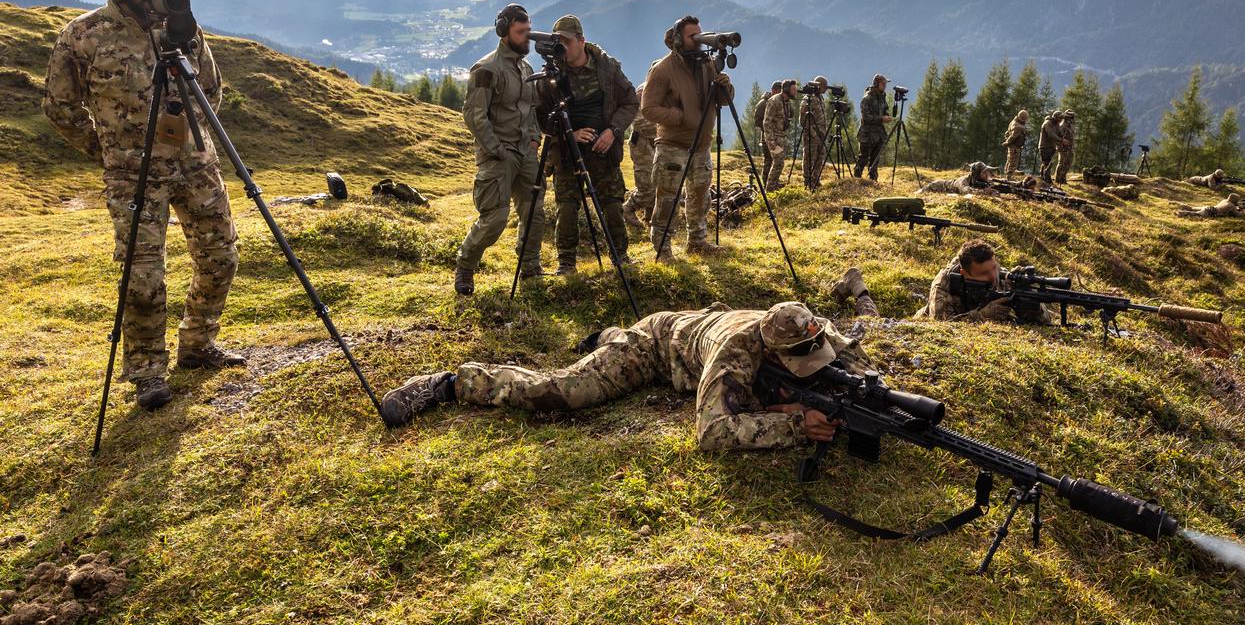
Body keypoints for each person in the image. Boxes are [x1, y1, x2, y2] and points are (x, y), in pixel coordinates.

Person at [43, 0, 241, 410]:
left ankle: (198, 345)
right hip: (132, 176)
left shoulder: (183, 27)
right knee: (143, 276)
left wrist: (190, 136)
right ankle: (148, 369)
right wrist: (109, 150)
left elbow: (210, 90)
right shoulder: (83, 36)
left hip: (196, 165)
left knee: (221, 258)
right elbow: (61, 108)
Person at [379, 302, 872, 451]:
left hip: (699, 323)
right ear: (770, 348)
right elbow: (712, 432)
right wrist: (790, 425)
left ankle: (606, 335)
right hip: (660, 346)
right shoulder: (737, 352)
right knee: (564, 392)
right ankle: (451, 383)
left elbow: (859, 369)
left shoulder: (813, 329)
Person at [455, 3, 543, 294]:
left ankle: (530, 267)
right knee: (495, 218)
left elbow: (531, 109)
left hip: (525, 152)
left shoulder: (526, 67)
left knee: (535, 213)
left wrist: (534, 139)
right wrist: (497, 149)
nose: (526, 37)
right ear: (504, 32)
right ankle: (466, 266)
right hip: (498, 154)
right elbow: (474, 115)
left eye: (528, 31)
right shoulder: (486, 69)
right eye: (521, 32)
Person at [539, 14, 638, 275]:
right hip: (567, 153)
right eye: (557, 42)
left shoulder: (607, 68)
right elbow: (540, 116)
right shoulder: (551, 75)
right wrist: (568, 135)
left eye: (567, 42)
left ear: (581, 40)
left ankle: (621, 258)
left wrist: (613, 131)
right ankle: (566, 264)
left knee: (613, 205)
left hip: (602, 151)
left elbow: (630, 102)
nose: (562, 47)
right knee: (567, 207)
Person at [642, 15, 734, 261]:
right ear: (679, 39)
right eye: (693, 36)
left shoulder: (706, 65)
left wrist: (726, 85)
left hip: (702, 146)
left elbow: (723, 101)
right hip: (673, 146)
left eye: (700, 35)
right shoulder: (663, 69)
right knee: (668, 201)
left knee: (700, 198)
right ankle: (663, 248)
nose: (698, 40)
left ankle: (697, 242)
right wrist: (679, 116)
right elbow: (648, 109)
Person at [829, 240, 1051, 325]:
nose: (993, 277)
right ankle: (857, 285)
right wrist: (984, 315)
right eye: (984, 274)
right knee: (873, 325)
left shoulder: (1001, 275)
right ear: (964, 272)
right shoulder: (944, 282)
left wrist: (1032, 306)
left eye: (994, 267)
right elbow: (941, 326)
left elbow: (1044, 321)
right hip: (916, 328)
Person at [621, 82, 657, 232]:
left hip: (656, 142)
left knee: (659, 182)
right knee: (647, 186)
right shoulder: (643, 91)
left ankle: (649, 217)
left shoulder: (667, 88)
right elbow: (639, 121)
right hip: (642, 143)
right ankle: (628, 208)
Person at [853, 74, 893, 181]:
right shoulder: (867, 98)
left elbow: (885, 109)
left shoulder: (882, 97)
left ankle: (873, 181)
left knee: (876, 159)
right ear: (876, 84)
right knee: (863, 158)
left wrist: (887, 116)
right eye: (883, 83)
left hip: (879, 133)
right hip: (867, 134)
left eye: (885, 84)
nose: (885, 86)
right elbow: (866, 117)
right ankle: (856, 179)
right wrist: (881, 119)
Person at [762, 79, 797, 191]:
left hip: (781, 137)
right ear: (786, 89)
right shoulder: (774, 101)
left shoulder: (786, 102)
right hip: (774, 138)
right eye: (793, 89)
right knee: (778, 164)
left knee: (779, 164)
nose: (795, 92)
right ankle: (770, 189)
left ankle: (774, 186)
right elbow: (766, 122)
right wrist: (771, 142)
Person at [800, 77, 829, 192]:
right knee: (809, 157)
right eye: (824, 86)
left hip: (821, 134)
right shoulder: (808, 99)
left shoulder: (820, 98)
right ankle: (808, 181)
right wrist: (813, 133)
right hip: (811, 135)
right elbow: (803, 120)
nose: (826, 89)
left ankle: (816, 179)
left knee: (820, 157)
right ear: (818, 86)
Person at [917, 161, 1005, 195]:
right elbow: (966, 191)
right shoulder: (963, 181)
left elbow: (993, 189)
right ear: (977, 174)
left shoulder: (981, 181)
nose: (987, 174)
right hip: (936, 186)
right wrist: (984, 191)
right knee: (918, 195)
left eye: (988, 172)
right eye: (984, 172)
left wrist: (995, 191)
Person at [756, 78, 782, 182]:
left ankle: (773, 181)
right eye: (779, 90)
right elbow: (757, 120)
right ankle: (766, 182)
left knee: (776, 161)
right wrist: (768, 129)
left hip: (776, 137)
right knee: (769, 160)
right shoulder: (764, 103)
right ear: (774, 90)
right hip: (767, 137)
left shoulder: (778, 102)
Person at [1038, 109, 1064, 186]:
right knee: (1047, 163)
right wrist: (1061, 140)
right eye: (1060, 118)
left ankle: (1043, 177)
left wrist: (1062, 135)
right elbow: (1051, 134)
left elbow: (1059, 132)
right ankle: (1047, 180)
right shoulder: (1047, 123)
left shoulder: (1056, 124)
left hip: (1052, 146)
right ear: (1056, 117)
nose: (1061, 120)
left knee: (1048, 163)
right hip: (1044, 146)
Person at [1003, 109, 1029, 177]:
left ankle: (1007, 174)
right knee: (1013, 162)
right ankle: (1009, 177)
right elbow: (1013, 136)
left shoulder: (1014, 122)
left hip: (1015, 146)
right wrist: (1007, 142)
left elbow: (1007, 133)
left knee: (1010, 160)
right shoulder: (1017, 125)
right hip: (1014, 146)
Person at [1177, 192, 1245, 218]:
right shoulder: (1232, 206)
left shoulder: (1225, 200)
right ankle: (1180, 213)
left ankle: (1179, 204)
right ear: (1234, 200)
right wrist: (1242, 210)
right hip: (1210, 212)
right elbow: (1238, 215)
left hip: (1208, 208)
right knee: (1195, 214)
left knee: (1191, 208)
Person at [1055, 109, 1077, 185]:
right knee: (1061, 162)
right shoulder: (1063, 125)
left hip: (1070, 147)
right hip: (1063, 147)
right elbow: (1058, 136)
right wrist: (1061, 144)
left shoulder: (1071, 125)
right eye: (1072, 116)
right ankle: (1058, 179)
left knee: (1068, 162)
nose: (1073, 118)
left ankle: (1063, 177)